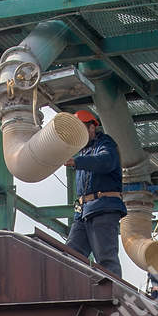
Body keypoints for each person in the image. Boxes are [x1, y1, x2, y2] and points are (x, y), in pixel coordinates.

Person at [64, 109, 126, 280]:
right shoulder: (83, 151)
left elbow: (106, 162)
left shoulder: (105, 144)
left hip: (103, 208)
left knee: (106, 258)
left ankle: (114, 295)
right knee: (70, 255)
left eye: (81, 129)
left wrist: (77, 161)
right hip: (84, 211)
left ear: (92, 128)